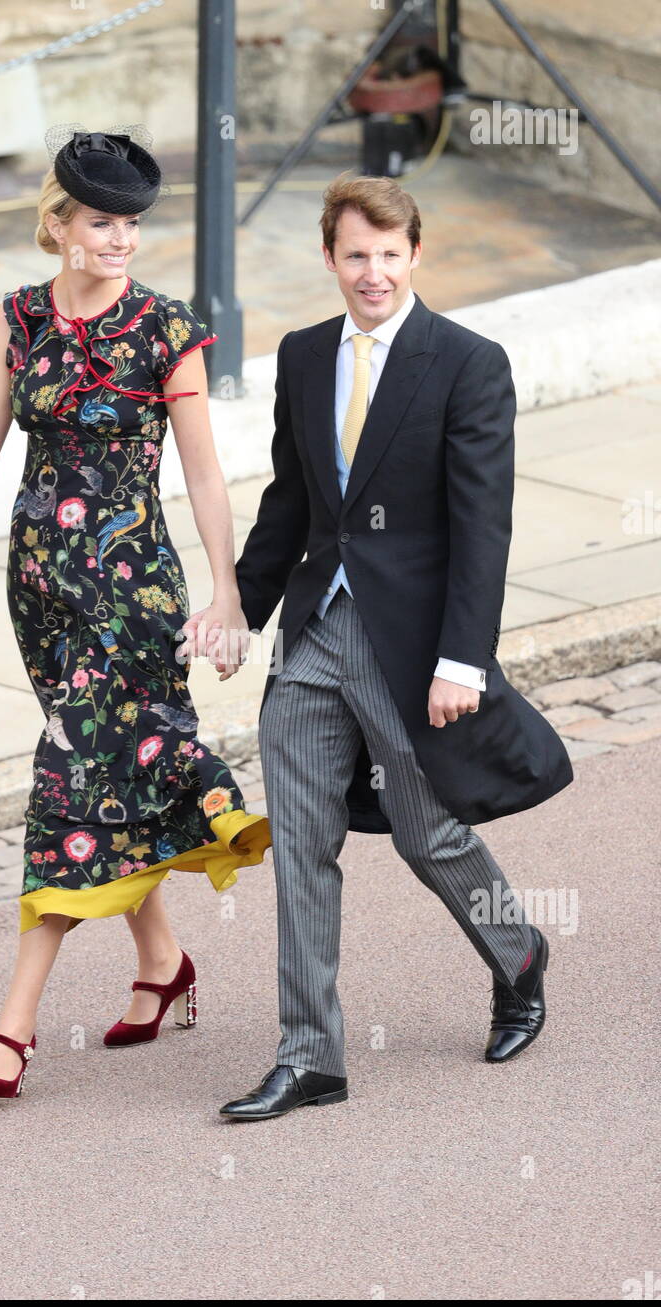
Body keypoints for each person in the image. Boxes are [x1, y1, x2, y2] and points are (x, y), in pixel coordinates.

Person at [0, 127, 270, 1099]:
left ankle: (12, 1026)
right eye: (101, 222)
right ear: (57, 225)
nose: (121, 240)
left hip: (134, 594)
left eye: (131, 224)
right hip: (43, 592)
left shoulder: (166, 330)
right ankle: (162, 966)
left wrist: (226, 592)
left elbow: (204, 475)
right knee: (112, 764)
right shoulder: (17, 320)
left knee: (69, 776)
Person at [201, 174, 573, 1121]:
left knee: (426, 830)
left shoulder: (468, 362)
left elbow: (481, 526)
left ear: (416, 255)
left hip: (410, 649)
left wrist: (463, 659)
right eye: (355, 255)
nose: (373, 272)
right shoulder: (302, 356)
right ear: (330, 257)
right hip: (312, 635)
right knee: (300, 844)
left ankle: (517, 951)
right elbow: (293, 501)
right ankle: (310, 1054)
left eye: (390, 254)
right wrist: (236, 607)